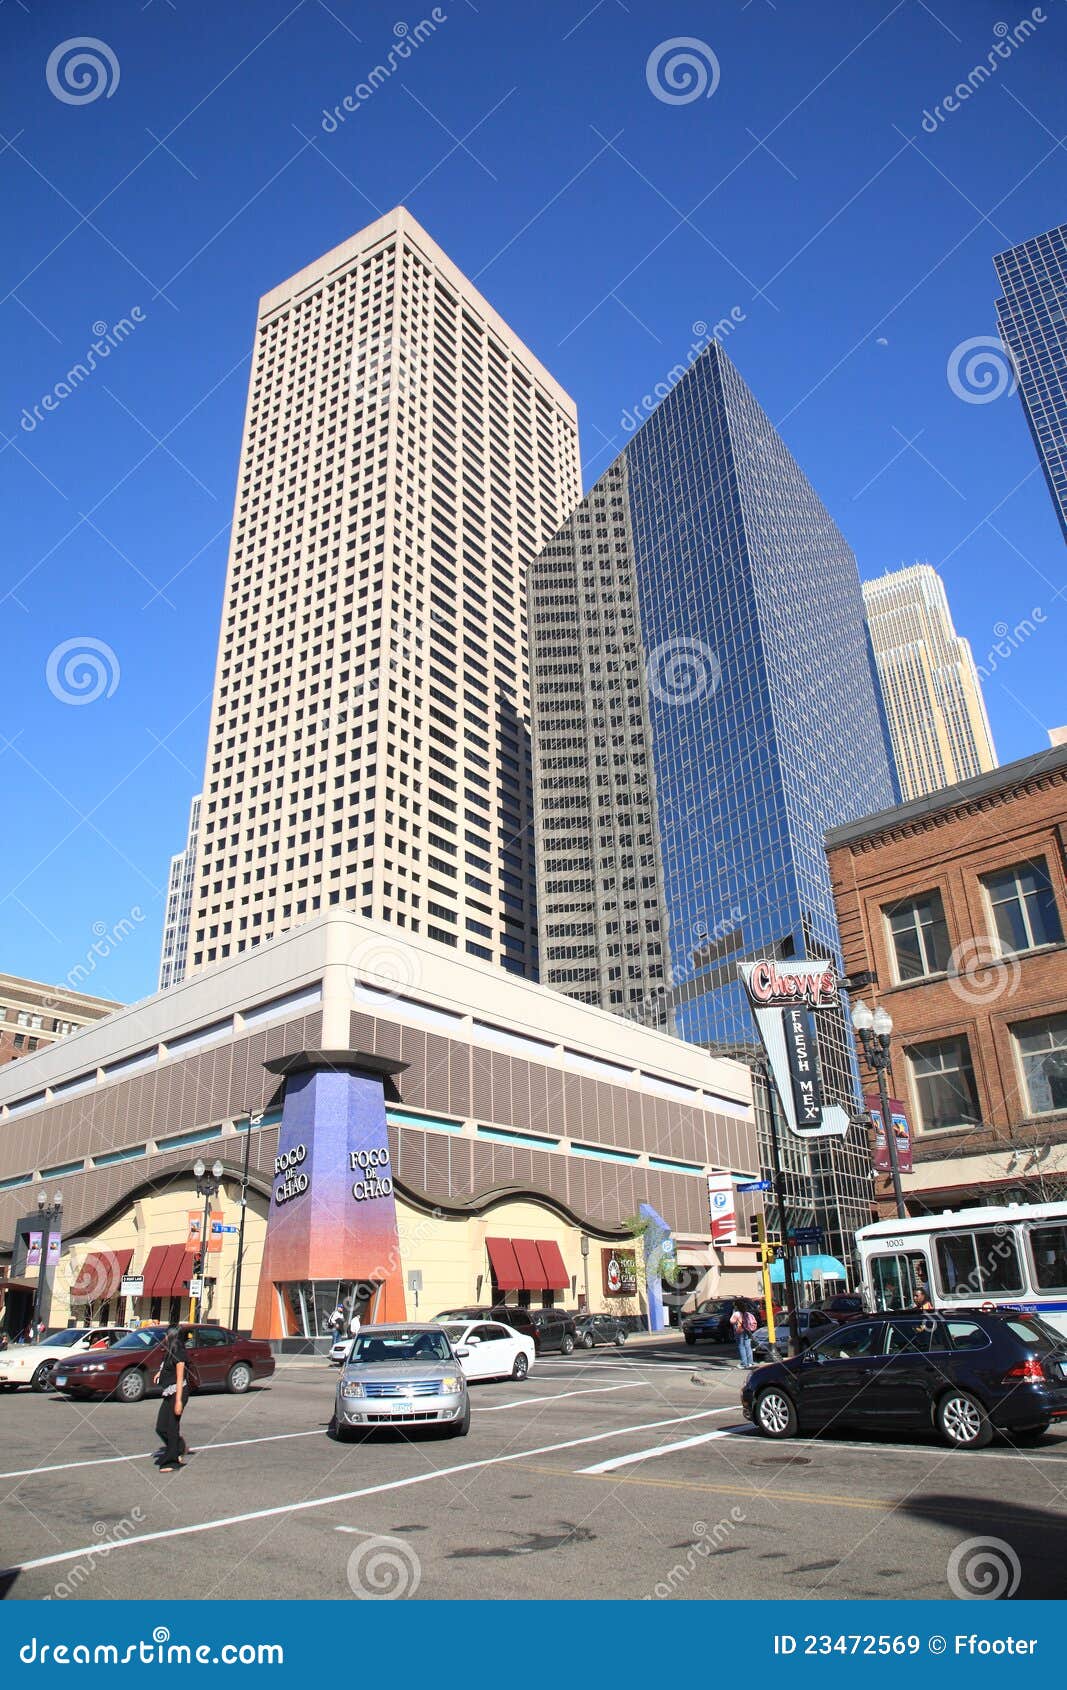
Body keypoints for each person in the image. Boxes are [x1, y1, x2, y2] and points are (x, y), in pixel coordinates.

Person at [152, 1326, 189, 1472]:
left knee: (172, 1427)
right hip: (168, 1391)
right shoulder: (169, 1351)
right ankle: (180, 1447)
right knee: (161, 1427)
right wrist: (159, 1374)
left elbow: (180, 1378)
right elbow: (165, 1366)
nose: (164, 1338)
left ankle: (172, 1461)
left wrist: (179, 1401)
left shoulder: (180, 1353)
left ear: (173, 1336)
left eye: (166, 1335)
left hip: (178, 1392)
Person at [730, 1297, 757, 1368]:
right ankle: (750, 1362)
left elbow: (732, 1321)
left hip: (740, 1331)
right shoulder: (747, 1313)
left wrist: (734, 1312)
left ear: (736, 1306)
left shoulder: (736, 1313)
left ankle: (744, 1363)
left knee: (741, 1346)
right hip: (747, 1330)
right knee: (748, 1346)